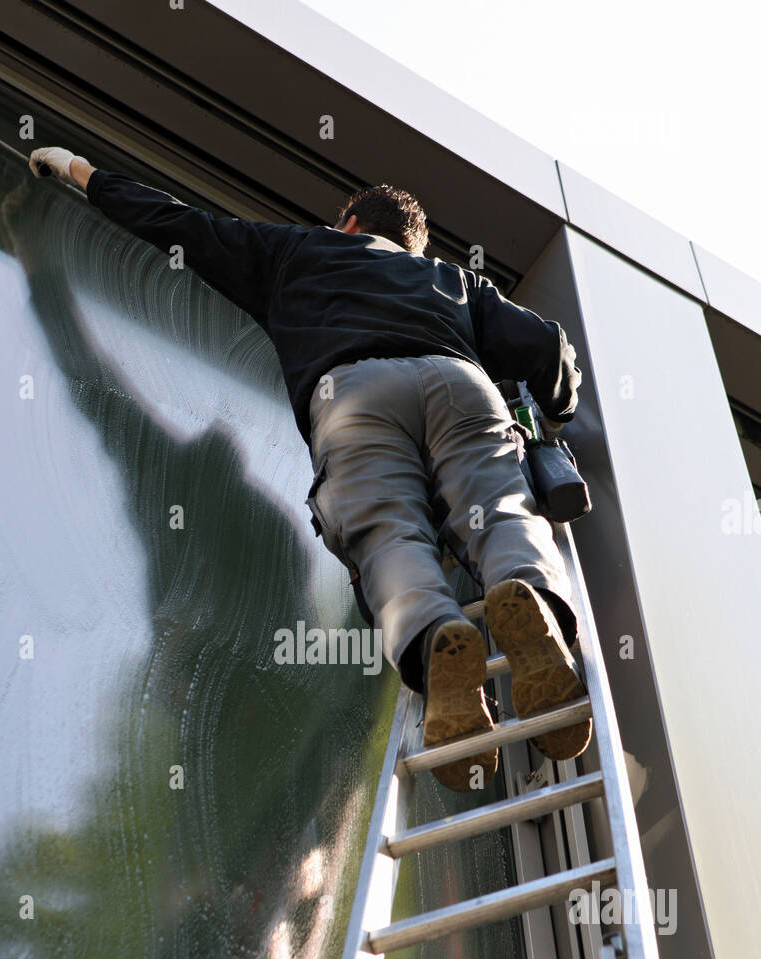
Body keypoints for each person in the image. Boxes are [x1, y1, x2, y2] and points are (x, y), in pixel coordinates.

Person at [29, 147, 591, 790]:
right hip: (458, 381)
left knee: (386, 534)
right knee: (499, 509)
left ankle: (437, 640)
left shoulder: (295, 252)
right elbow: (549, 347)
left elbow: (177, 223)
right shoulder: (450, 281)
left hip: (351, 396)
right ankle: (533, 602)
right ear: (408, 243)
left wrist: (79, 171)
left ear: (349, 223)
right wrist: (555, 412)